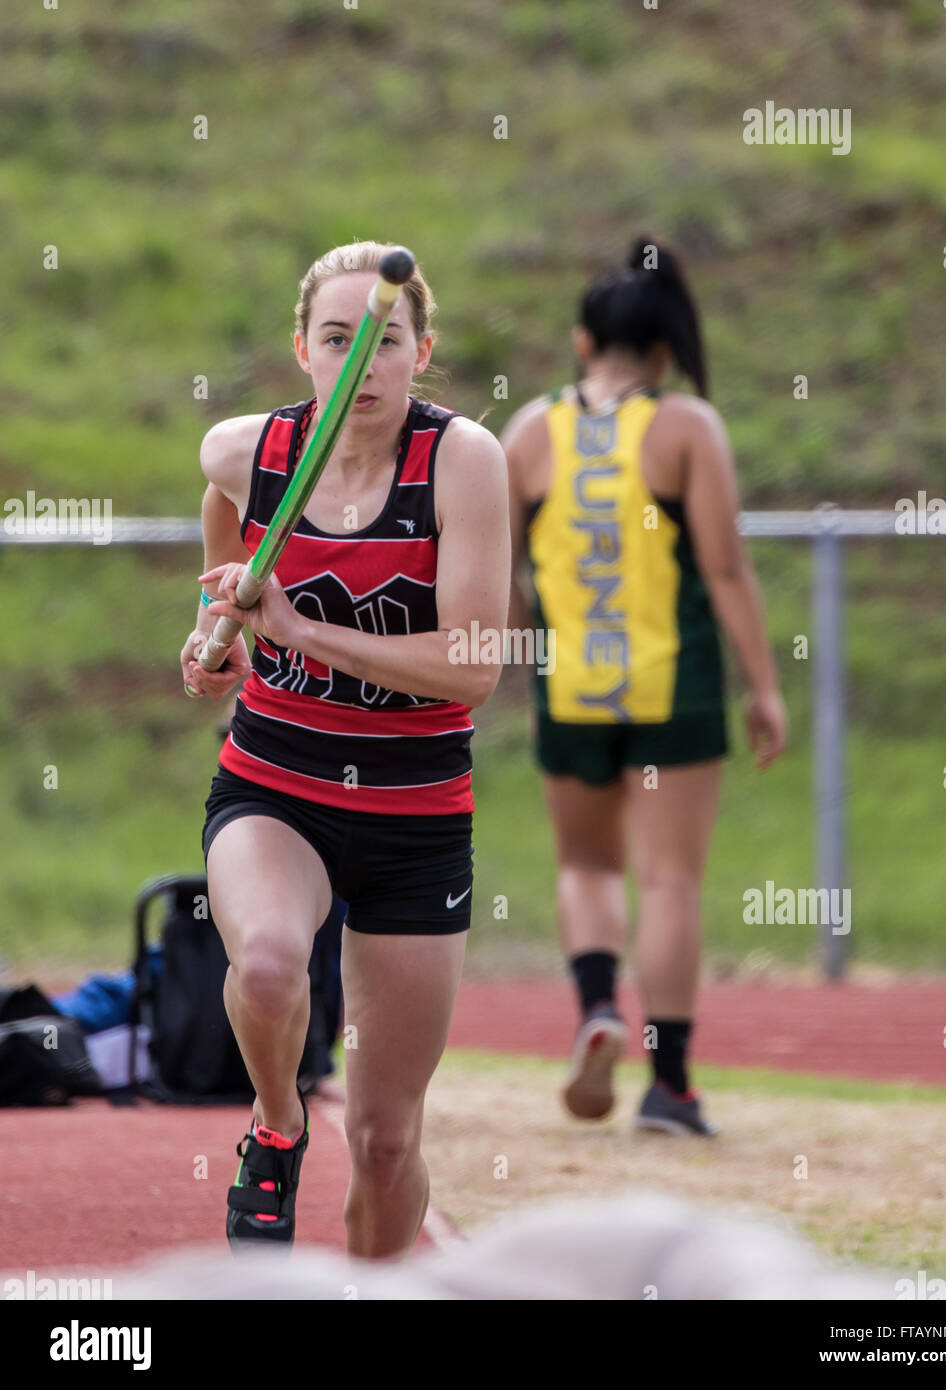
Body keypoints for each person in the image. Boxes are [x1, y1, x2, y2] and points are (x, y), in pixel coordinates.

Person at [178, 241, 509, 1256]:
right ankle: (276, 1127)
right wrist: (213, 636)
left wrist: (302, 631)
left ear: (419, 352)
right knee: (271, 967)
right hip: (277, 785)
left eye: (383, 341)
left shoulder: (460, 463)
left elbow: (471, 665)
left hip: (414, 818)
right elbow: (225, 547)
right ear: (302, 349)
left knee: (384, 1139)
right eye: (338, 339)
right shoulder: (245, 453)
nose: (361, 364)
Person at [502, 236, 787, 1136]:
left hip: (571, 687)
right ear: (665, 348)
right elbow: (728, 569)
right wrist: (765, 687)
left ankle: (595, 1009)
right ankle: (670, 1087)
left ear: (583, 343)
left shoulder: (526, 433)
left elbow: (496, 575)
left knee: (587, 863)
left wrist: (499, 661)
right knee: (669, 881)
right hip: (676, 690)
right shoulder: (686, 428)